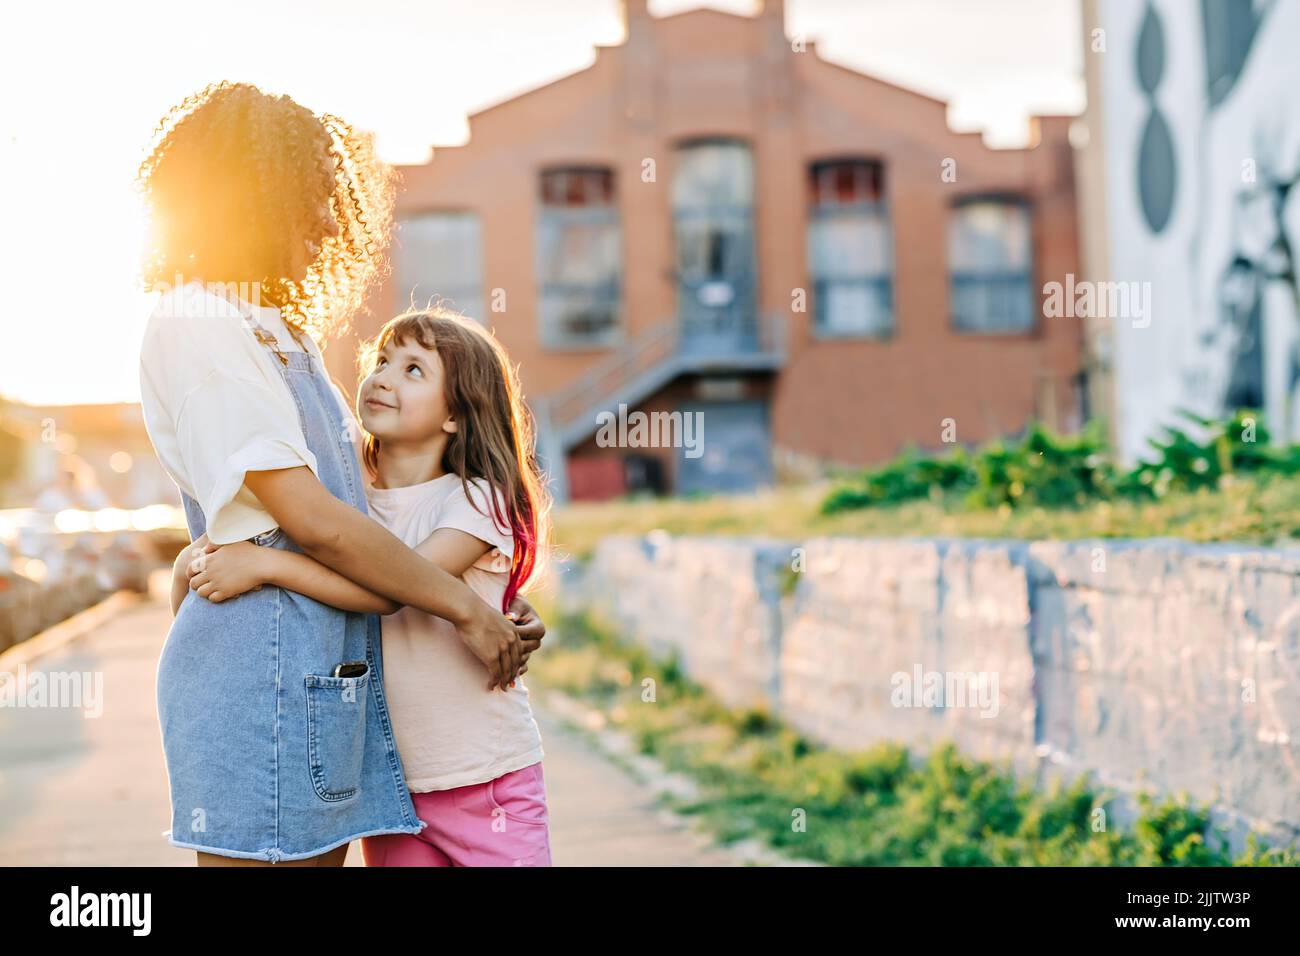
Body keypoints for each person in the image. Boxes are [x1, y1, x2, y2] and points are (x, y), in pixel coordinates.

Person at [138, 81, 544, 866]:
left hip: (324, 688)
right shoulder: (198, 323)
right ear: (259, 199)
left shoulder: (269, 328)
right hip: (263, 687)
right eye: (312, 198)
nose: (330, 221)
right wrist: (463, 607)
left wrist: (491, 598)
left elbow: (367, 510)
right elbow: (315, 520)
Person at [186, 307, 554, 866]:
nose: (382, 376)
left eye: (413, 370)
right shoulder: (343, 493)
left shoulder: (479, 500)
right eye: (382, 360)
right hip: (387, 789)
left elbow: (399, 582)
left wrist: (268, 568)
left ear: (456, 413)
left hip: (487, 781)